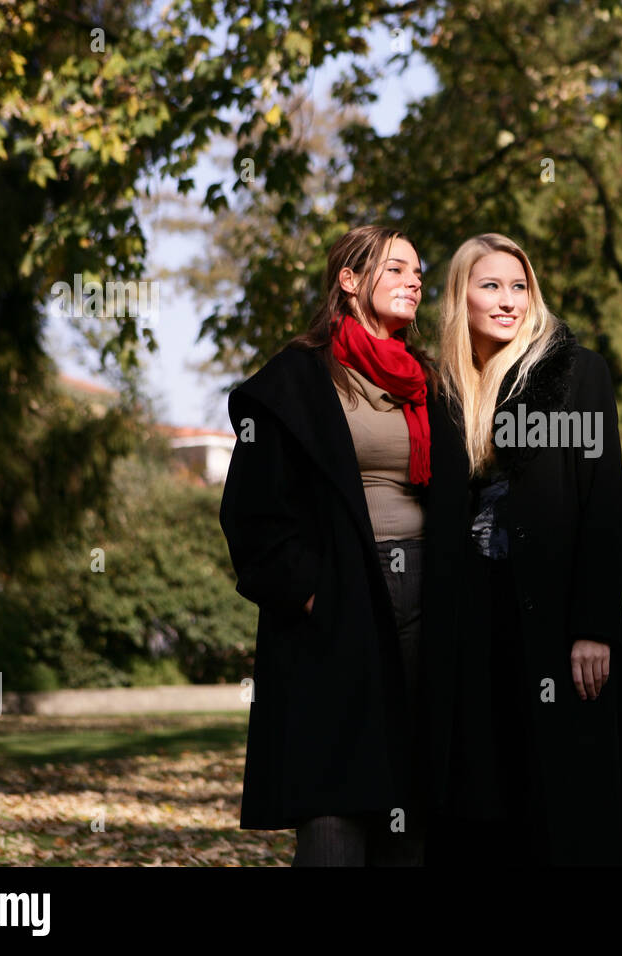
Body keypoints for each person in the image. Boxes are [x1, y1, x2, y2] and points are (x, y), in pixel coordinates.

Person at [421, 232, 622, 866]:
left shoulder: (577, 375)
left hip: (559, 624)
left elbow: (604, 507)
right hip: (475, 627)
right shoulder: (441, 388)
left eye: (518, 286)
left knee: (569, 803)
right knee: (484, 798)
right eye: (490, 286)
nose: (507, 301)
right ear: (460, 298)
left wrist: (593, 627)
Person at [218, 224, 436, 866]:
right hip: (341, 590)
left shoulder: (427, 381)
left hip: (428, 588)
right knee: (336, 780)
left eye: (417, 270)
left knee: (417, 779)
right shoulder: (297, 380)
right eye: (395, 269)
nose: (414, 280)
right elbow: (250, 509)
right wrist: (308, 590)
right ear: (349, 280)